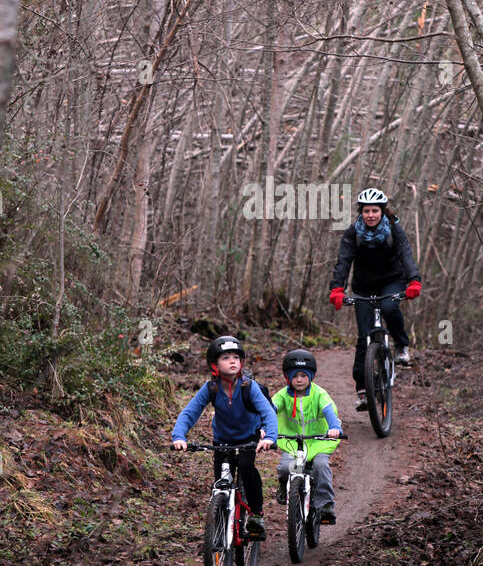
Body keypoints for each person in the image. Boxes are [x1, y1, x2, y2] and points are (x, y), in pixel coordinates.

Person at [172, 334, 277, 539]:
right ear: (214, 364)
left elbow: (268, 412)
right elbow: (189, 413)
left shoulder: (249, 387)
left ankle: (256, 514)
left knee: (247, 468)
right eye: (226, 357)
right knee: (220, 479)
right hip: (222, 441)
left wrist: (269, 437)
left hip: (249, 438)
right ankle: (220, 521)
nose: (232, 361)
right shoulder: (210, 388)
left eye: (236, 358)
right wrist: (179, 436)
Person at [328, 187, 422, 410]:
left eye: (375, 211)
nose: (370, 215)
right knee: (364, 338)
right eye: (366, 211)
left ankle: (401, 346)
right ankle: (363, 390)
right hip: (363, 286)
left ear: (382, 211)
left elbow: (406, 255)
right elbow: (343, 261)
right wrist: (337, 289)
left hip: (392, 281)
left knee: (389, 308)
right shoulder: (353, 232)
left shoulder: (394, 230)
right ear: (361, 212)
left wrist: (414, 281)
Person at [272, 349, 342, 524]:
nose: (299, 380)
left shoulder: (319, 394)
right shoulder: (282, 395)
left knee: (321, 466)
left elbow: (329, 411)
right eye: (295, 376)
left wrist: (334, 427)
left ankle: (325, 504)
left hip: (318, 442)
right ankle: (284, 485)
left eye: (304, 375)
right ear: (288, 377)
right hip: (293, 442)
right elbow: (270, 409)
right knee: (284, 467)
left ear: (311, 376)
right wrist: (263, 427)